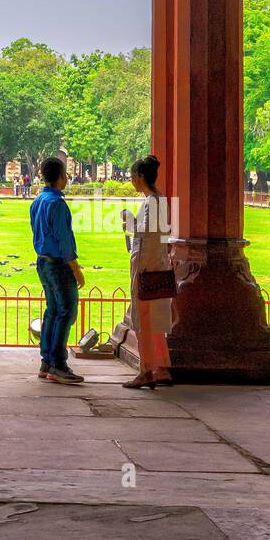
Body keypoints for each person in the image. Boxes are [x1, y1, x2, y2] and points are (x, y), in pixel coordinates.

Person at [30, 156, 85, 384]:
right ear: (61, 176)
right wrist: (76, 269)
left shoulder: (39, 200)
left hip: (42, 262)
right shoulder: (57, 204)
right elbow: (64, 241)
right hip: (57, 264)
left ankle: (47, 361)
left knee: (52, 311)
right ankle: (58, 365)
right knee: (66, 312)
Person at [121, 153, 173, 390]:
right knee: (158, 320)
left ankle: (146, 370)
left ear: (140, 177)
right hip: (159, 267)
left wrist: (129, 222)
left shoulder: (151, 203)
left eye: (133, 176)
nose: (131, 180)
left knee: (143, 321)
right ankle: (161, 367)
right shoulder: (160, 201)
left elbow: (145, 239)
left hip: (146, 269)